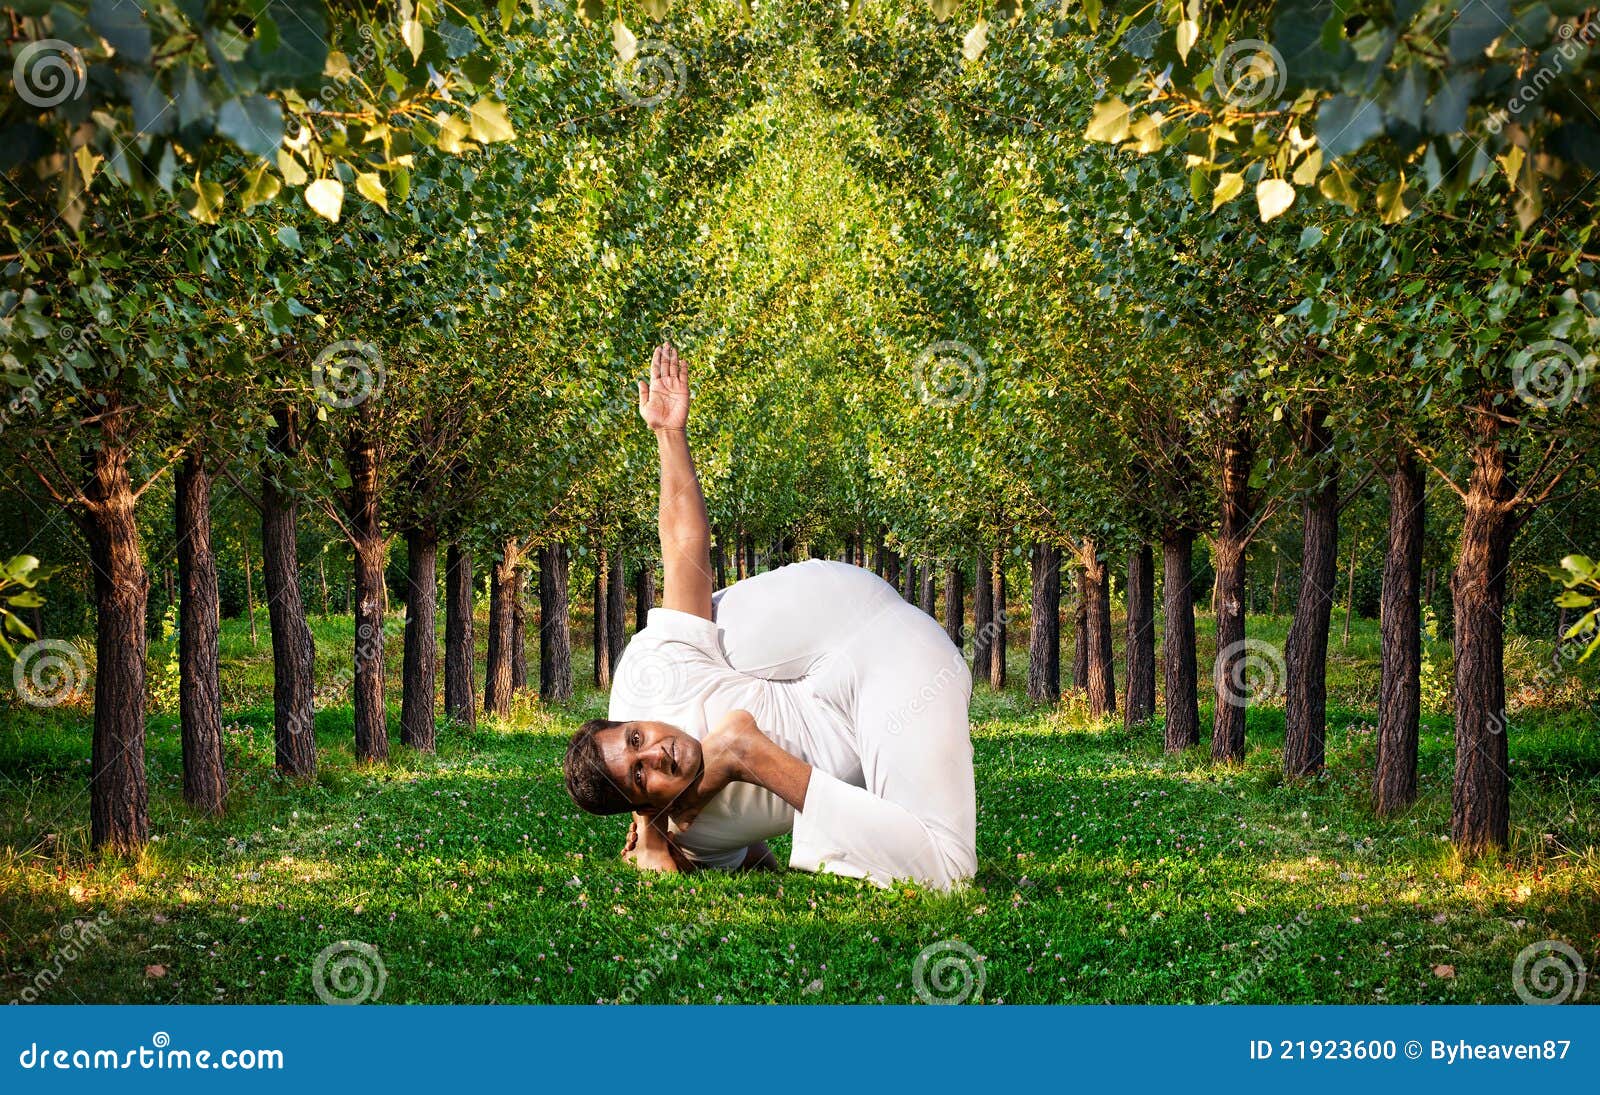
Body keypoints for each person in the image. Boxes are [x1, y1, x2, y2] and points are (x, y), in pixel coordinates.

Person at [561, 343, 977, 890]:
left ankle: (732, 749)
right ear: (642, 803)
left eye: (638, 739)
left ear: (630, 719)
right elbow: (754, 854)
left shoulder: (648, 679)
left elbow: (684, 544)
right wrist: (666, 835)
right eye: (642, 778)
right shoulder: (694, 834)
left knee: (702, 622)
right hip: (895, 679)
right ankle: (743, 747)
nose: (658, 753)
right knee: (947, 872)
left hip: (834, 615)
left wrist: (668, 433)